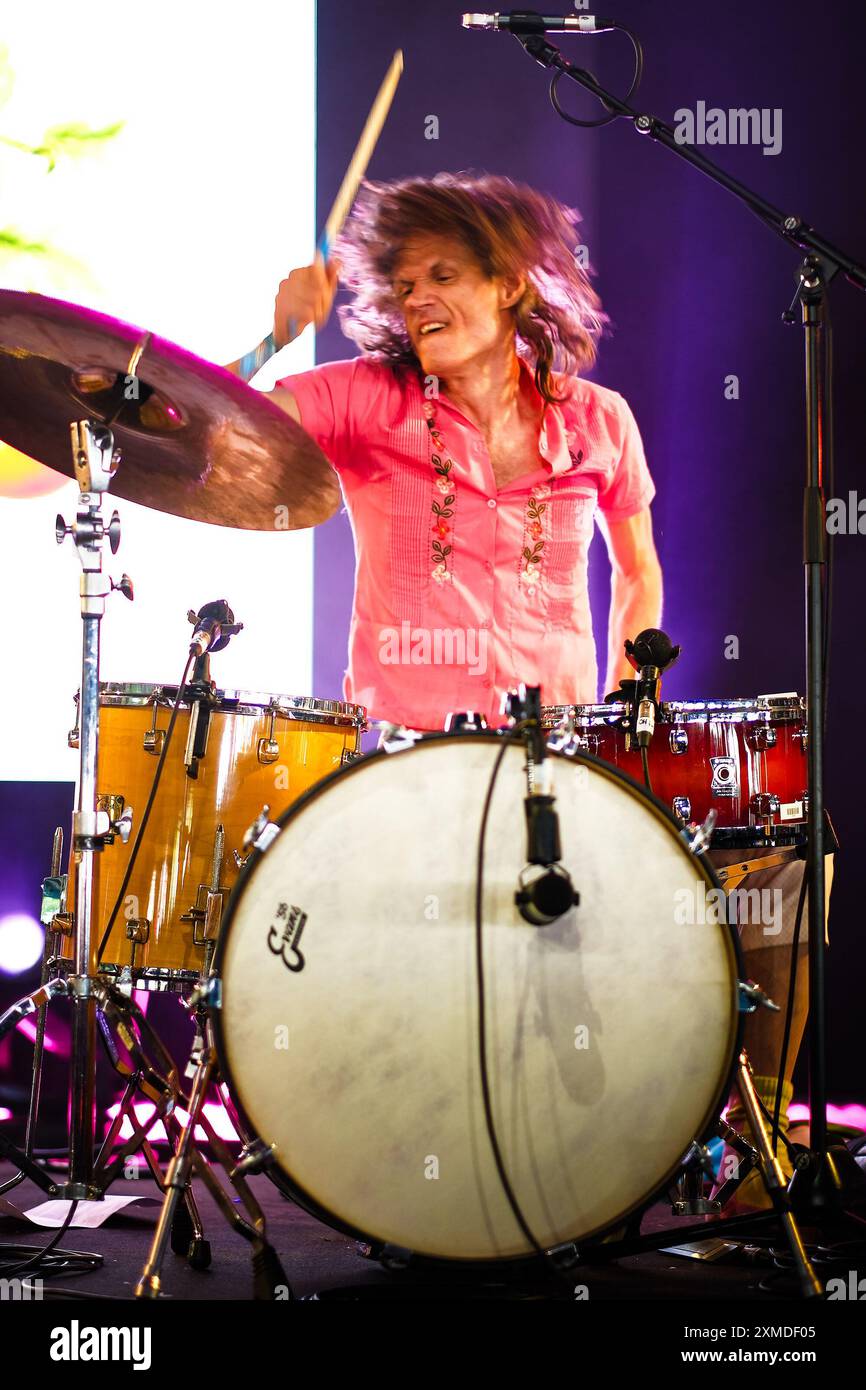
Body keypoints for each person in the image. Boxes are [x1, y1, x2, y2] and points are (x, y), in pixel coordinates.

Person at [225, 172, 826, 1212]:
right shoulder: (362, 397)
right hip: (407, 763)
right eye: (401, 281)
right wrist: (273, 338)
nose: (416, 299)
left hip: (563, 755)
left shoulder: (597, 419)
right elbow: (199, 427)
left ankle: (749, 1135)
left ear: (510, 283)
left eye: (443, 275)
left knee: (778, 858)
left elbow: (638, 569)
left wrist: (634, 683)